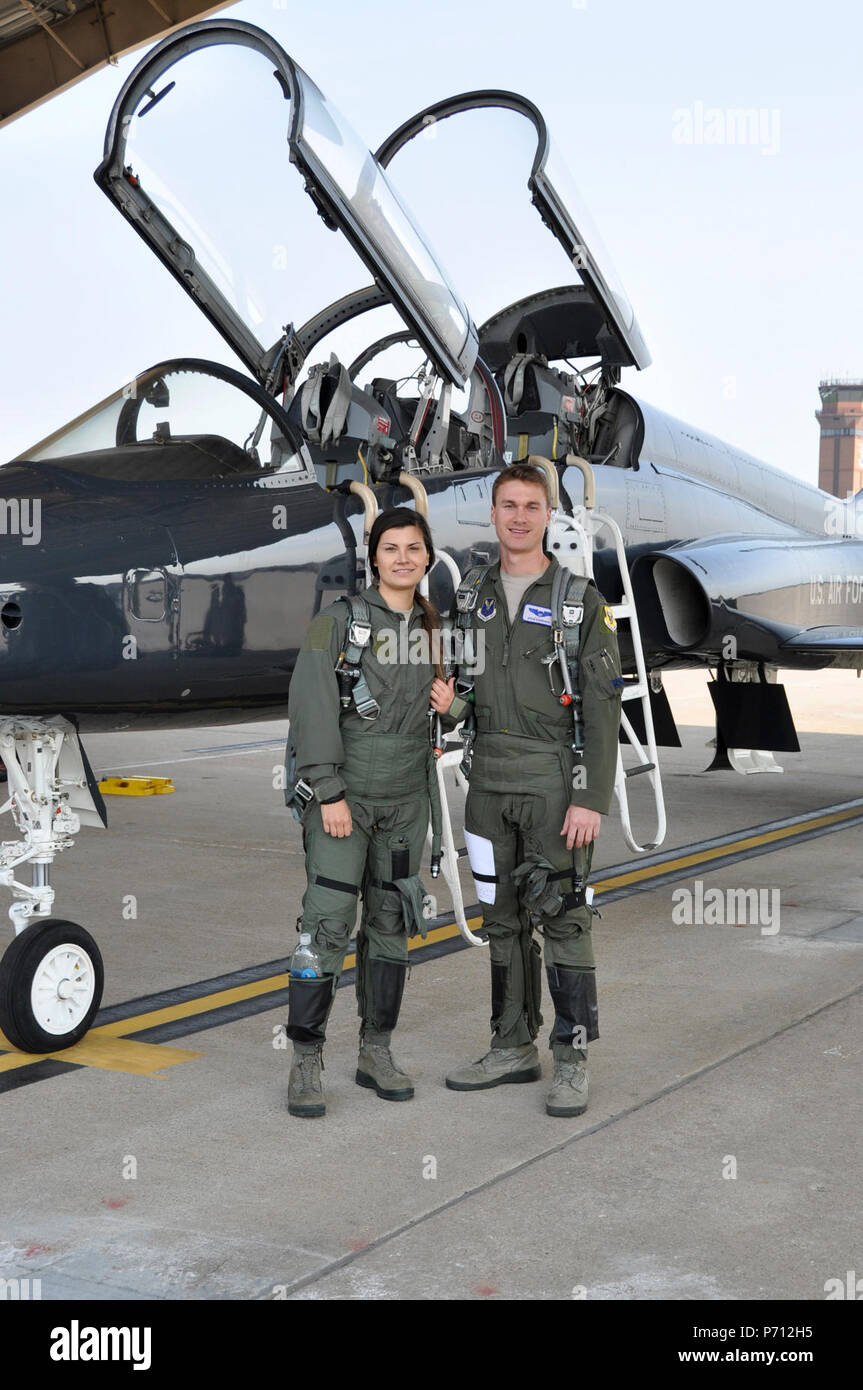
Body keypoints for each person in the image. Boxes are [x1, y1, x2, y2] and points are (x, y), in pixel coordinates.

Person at [430, 462, 622, 1116]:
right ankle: (511, 1045)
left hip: (551, 782)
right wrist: (447, 706)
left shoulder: (580, 602)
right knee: (501, 922)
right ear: (492, 514)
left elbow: (601, 707)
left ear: (548, 515)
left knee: (564, 919)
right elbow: (464, 688)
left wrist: (591, 797)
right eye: (507, 505)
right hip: (485, 783)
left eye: (530, 506)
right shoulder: (471, 595)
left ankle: (570, 1059)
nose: (518, 516)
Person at [284, 508, 444, 1118]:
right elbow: (311, 706)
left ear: (426, 557)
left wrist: (453, 709)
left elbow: (455, 703)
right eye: (391, 548)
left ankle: (375, 1049)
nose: (403, 558)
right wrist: (327, 792)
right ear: (373, 558)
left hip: (406, 801)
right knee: (325, 924)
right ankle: (305, 1059)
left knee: (390, 921)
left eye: (413, 548)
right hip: (345, 797)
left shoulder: (435, 627)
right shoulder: (337, 622)